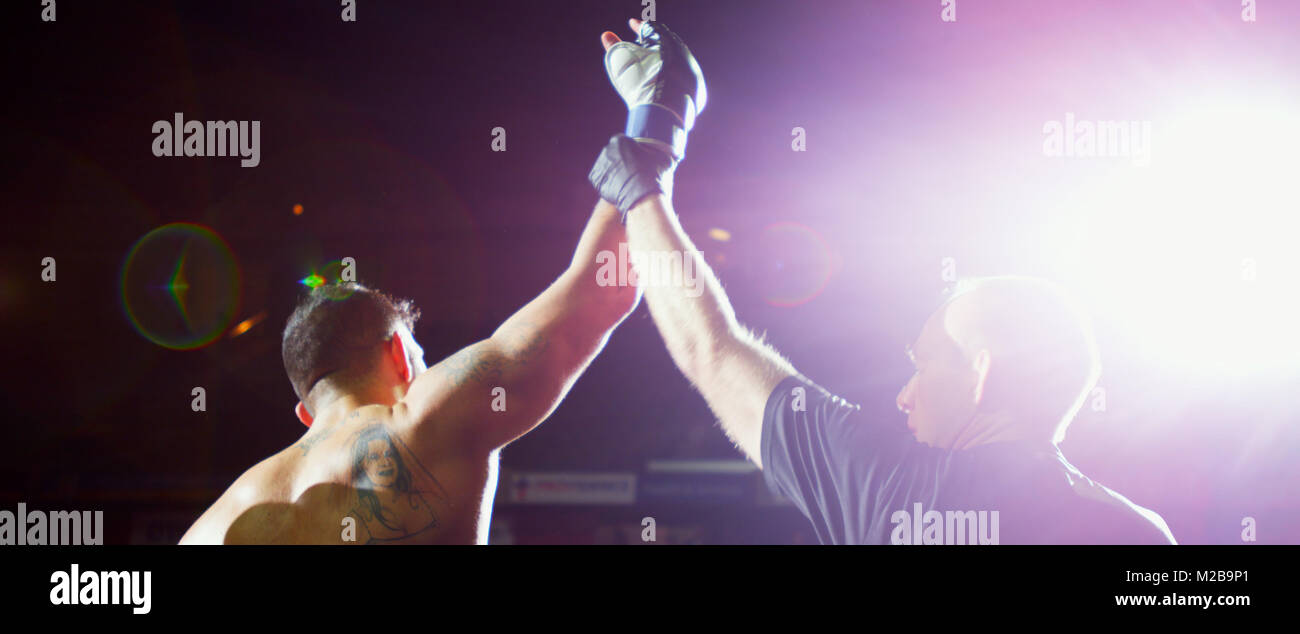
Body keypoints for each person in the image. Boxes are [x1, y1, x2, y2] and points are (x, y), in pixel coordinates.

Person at [590, 19, 1175, 544]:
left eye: (924, 363)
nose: (903, 394)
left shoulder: (889, 480)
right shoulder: (1141, 536)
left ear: (982, 372)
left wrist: (651, 155)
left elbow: (712, 349)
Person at [180, 207, 639, 544]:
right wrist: (651, 126)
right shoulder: (428, 421)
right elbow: (602, 291)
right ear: (400, 354)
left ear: (305, 412)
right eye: (421, 356)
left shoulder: (213, 526)